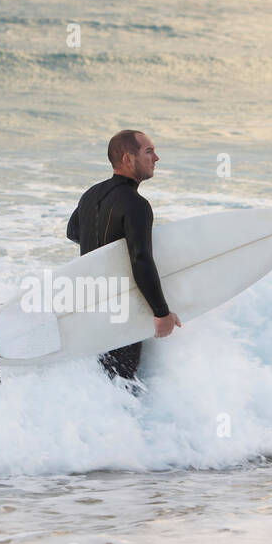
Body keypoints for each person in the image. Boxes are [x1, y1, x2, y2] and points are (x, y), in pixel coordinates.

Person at [66, 130, 182, 382]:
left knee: (102, 377)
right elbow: (140, 258)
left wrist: (101, 247)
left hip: (90, 305)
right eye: (149, 151)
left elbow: (73, 231)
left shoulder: (91, 194)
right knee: (122, 380)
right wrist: (161, 312)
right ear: (128, 159)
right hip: (121, 309)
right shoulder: (136, 204)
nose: (156, 158)